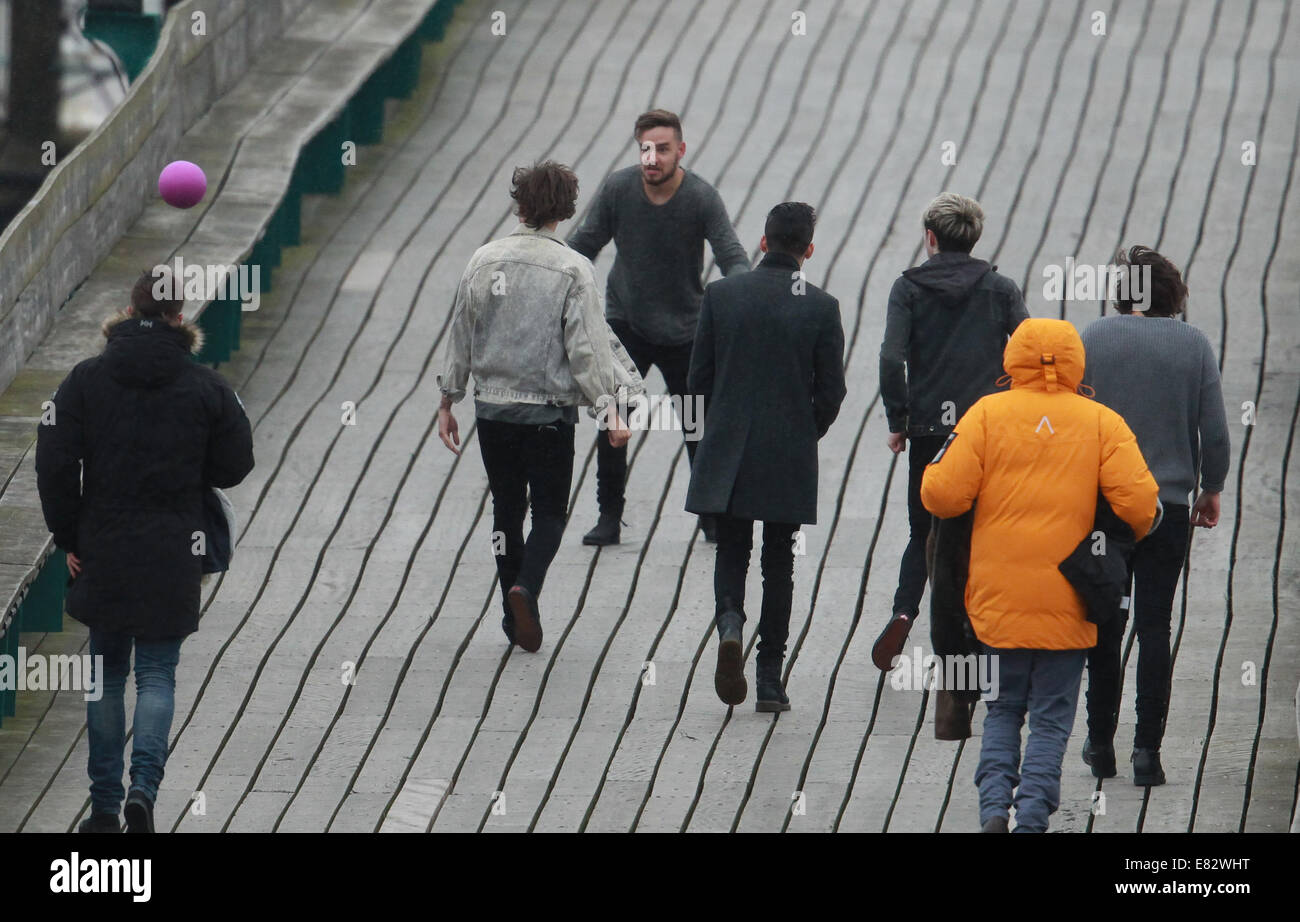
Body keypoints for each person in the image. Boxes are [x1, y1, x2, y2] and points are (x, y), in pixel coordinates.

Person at [35, 268, 255, 833]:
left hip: (102, 545)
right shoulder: (207, 386)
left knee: (106, 674)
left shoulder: (85, 380)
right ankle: (144, 793)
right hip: (176, 546)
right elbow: (236, 464)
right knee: (157, 674)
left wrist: (69, 536)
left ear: (128, 314)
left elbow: (54, 461)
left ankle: (104, 809)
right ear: (180, 319)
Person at [921, 317, 1159, 832]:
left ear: (1015, 359)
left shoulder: (986, 415)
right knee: (1052, 716)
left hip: (997, 599)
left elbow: (940, 494)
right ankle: (1031, 816)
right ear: (1075, 362)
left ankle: (992, 811)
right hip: (1070, 598)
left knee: (1003, 708)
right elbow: (1141, 506)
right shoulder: (1102, 423)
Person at [436, 160, 641, 653]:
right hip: (548, 415)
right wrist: (610, 409)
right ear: (566, 210)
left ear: (519, 203)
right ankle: (526, 587)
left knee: (506, 510)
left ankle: (512, 617)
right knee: (549, 512)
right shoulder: (573, 269)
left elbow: (463, 331)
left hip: (492, 413)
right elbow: (588, 349)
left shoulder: (483, 260)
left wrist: (449, 398)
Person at [1079, 246, 1231, 786]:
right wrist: (1211, 488)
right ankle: (1148, 751)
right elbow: (1213, 429)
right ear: (1173, 295)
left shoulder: (1092, 338)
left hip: (1104, 508)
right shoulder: (1193, 345)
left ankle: (1099, 745)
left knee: (1104, 621)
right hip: (1166, 506)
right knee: (1154, 625)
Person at [685, 203, 846, 710]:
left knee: (733, 550)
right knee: (780, 562)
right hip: (787, 453)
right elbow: (833, 391)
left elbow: (697, 383)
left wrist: (715, 434)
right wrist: (806, 431)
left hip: (728, 450)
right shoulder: (821, 306)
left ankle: (730, 623)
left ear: (762, 241)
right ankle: (771, 681)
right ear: (808, 250)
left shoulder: (722, 295)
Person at [568, 108, 751, 547]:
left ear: (680, 151)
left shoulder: (700, 198)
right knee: (613, 418)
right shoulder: (619, 189)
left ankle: (710, 516)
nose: (652, 158)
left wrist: (749, 296)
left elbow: (731, 255)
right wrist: (557, 281)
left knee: (697, 424)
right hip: (625, 322)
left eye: (663, 149)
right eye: (646, 149)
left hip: (685, 327)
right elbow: (582, 245)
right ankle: (609, 516)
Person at [874, 193, 1028, 671]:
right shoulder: (1000, 289)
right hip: (986, 432)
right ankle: (974, 632)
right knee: (982, 532)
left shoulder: (908, 289)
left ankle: (904, 610)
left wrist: (899, 421)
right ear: (975, 237)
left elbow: (889, 357)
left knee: (925, 529)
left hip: (927, 430)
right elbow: (1027, 348)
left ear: (931, 238)